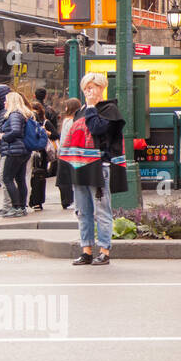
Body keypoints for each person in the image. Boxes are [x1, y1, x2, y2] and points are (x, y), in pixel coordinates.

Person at [68, 71, 124, 266]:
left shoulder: (109, 109)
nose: (88, 91)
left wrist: (91, 108)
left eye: (91, 87)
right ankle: (86, 250)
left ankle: (104, 250)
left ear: (101, 88)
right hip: (80, 165)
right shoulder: (80, 111)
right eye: (85, 88)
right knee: (82, 210)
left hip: (100, 165)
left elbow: (98, 129)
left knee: (101, 210)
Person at [0, 90, 34, 217]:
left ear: (12, 102)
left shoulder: (14, 115)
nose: (4, 103)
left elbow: (15, 131)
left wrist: (2, 136)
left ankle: (16, 207)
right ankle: (21, 206)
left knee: (7, 178)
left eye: (6, 101)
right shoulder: (23, 114)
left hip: (14, 151)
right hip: (23, 151)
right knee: (20, 179)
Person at [28, 100, 56, 211]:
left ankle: (37, 201)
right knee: (32, 178)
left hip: (42, 155)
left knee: (39, 177)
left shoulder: (45, 123)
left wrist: (46, 133)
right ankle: (32, 200)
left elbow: (55, 135)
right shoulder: (30, 123)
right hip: (34, 153)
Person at [55, 97, 80, 210]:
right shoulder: (78, 120)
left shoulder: (67, 121)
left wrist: (60, 152)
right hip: (75, 153)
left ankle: (71, 201)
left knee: (67, 178)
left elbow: (65, 138)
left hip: (67, 153)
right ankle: (75, 200)